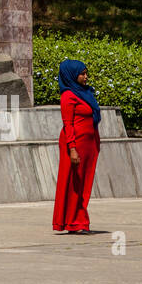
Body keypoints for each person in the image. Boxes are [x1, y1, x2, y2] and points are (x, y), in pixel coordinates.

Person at [53, 58, 101, 233]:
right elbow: (68, 124)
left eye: (86, 73)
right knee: (73, 184)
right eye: (82, 74)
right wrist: (72, 149)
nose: (86, 77)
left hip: (89, 145)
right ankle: (74, 221)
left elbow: (93, 119)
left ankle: (76, 220)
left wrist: (96, 142)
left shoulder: (86, 93)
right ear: (72, 75)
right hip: (75, 145)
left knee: (84, 185)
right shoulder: (68, 96)